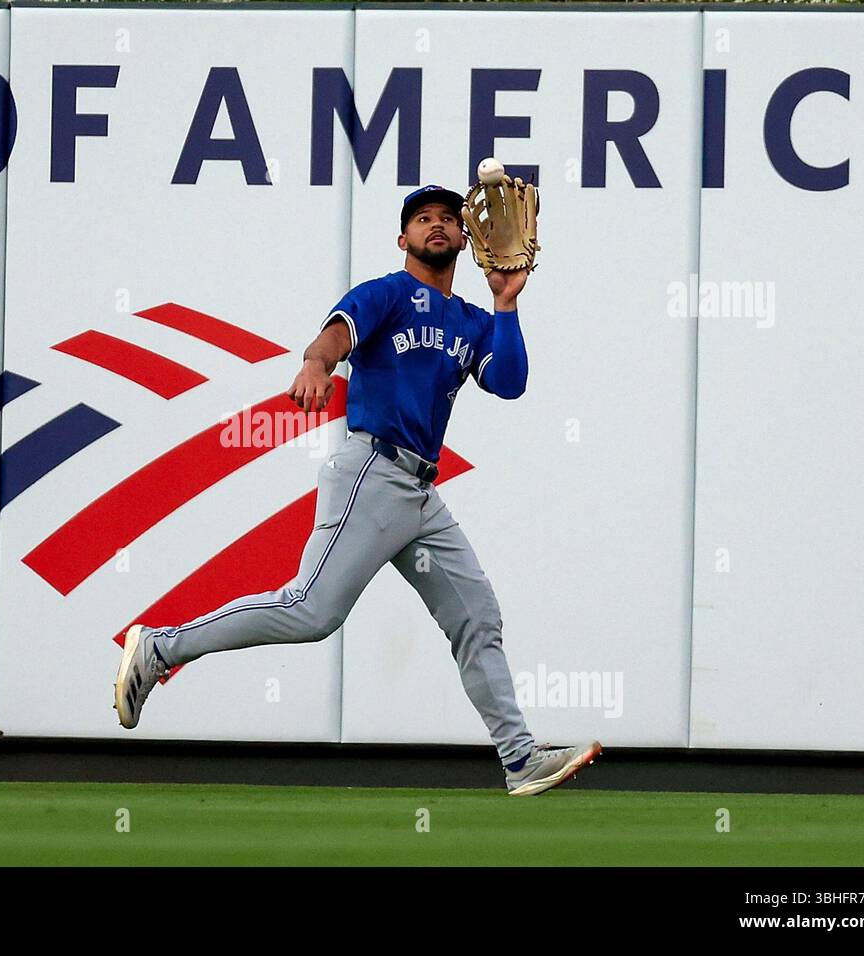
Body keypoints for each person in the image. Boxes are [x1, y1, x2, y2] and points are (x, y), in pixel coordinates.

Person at [114, 184, 600, 796]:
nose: (437, 225)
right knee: (310, 611)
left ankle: (519, 757)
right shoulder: (387, 294)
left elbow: (509, 383)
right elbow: (337, 335)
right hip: (372, 473)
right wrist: (317, 364)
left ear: (468, 237)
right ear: (404, 239)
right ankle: (161, 648)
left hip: (421, 494)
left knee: (478, 616)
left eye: (449, 218)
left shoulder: (471, 321)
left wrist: (506, 303)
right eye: (422, 219)